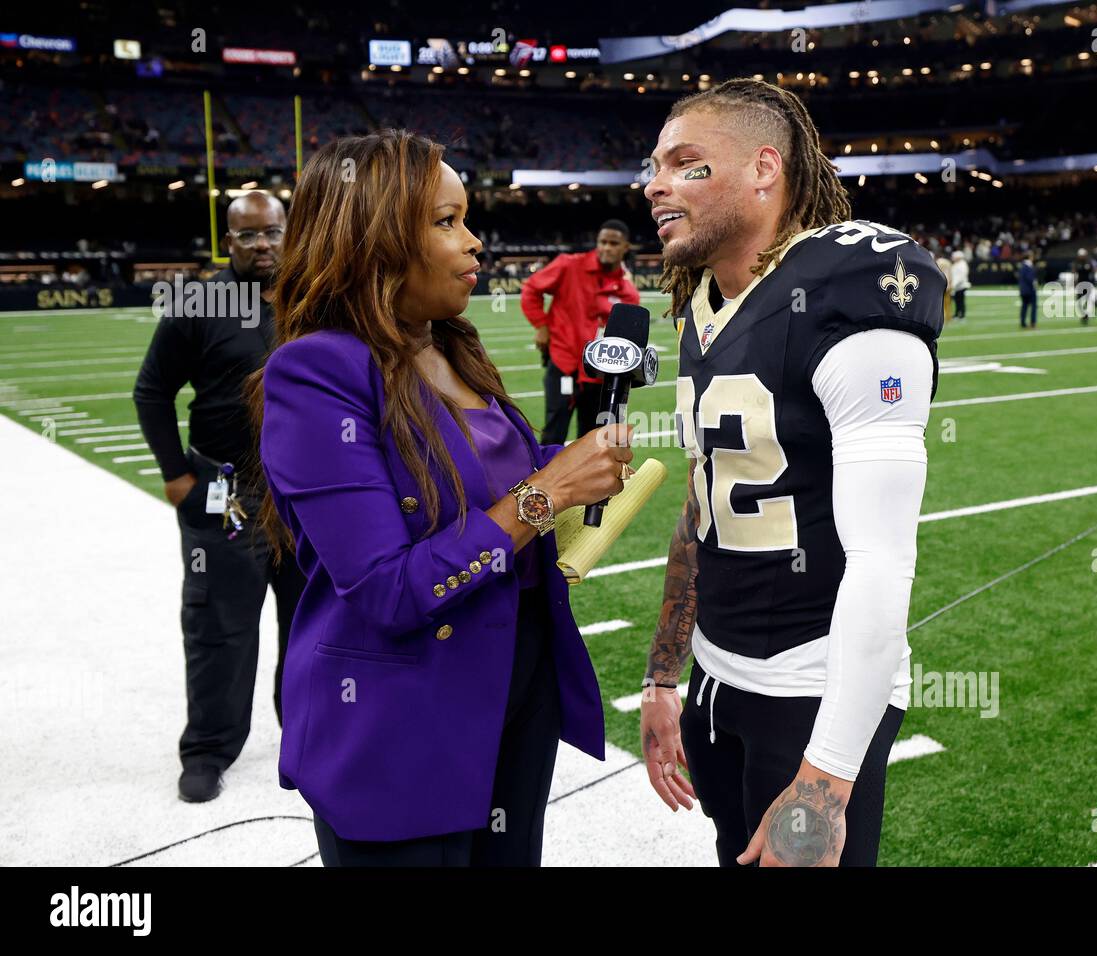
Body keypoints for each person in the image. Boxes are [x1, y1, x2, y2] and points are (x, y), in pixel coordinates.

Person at [250, 130, 631, 867]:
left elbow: (478, 482)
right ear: (375, 239)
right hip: (404, 722)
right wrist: (545, 495)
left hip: (513, 691)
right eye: (446, 221)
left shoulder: (448, 341)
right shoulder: (317, 371)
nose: (475, 242)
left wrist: (572, 464)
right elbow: (389, 591)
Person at [639, 79, 942, 867]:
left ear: (764, 169)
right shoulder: (706, 298)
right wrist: (665, 676)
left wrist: (826, 778)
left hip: (810, 687)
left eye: (686, 163)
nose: (655, 183)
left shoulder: (848, 290)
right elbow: (704, 502)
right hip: (716, 674)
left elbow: (883, 559)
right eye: (654, 165)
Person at [133, 191, 306, 804]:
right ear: (227, 241)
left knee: (310, 622)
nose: (263, 246)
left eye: (272, 233)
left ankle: (305, 735)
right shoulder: (200, 301)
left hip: (306, 495)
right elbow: (151, 390)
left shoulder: (313, 293)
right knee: (219, 627)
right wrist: (176, 473)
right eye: (248, 237)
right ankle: (208, 748)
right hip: (224, 491)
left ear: (290, 232)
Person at [521, 220, 641, 445]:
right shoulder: (569, 265)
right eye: (602, 242)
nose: (606, 247)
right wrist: (542, 326)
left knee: (589, 437)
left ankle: (584, 480)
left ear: (625, 247)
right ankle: (547, 478)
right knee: (554, 428)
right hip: (563, 364)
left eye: (613, 243)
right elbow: (531, 289)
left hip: (597, 375)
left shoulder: (628, 294)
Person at [1072, 248, 1097, 324]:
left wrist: (1093, 283)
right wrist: (1074, 283)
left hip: (1088, 284)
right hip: (1080, 284)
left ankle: (1086, 315)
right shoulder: (1076, 263)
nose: (1082, 257)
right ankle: (1084, 314)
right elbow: (1074, 273)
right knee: (1079, 301)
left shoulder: (1089, 262)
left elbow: (1093, 272)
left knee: (1088, 300)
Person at [1017, 250, 1037, 329]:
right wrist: (1034, 283)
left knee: (1024, 306)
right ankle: (1033, 323)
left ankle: (1023, 323)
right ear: (1030, 257)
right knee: (1033, 307)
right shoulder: (1028, 266)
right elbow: (1030, 278)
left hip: (1023, 290)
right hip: (1030, 290)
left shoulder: (1022, 265)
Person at [949, 249, 970, 320]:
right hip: (957, 286)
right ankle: (957, 314)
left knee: (960, 301)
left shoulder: (962, 265)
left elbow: (960, 277)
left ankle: (962, 315)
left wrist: (953, 284)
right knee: (957, 301)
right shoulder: (956, 264)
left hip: (961, 286)